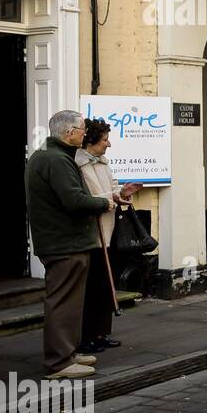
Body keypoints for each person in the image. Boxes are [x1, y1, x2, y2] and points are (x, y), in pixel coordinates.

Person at [25, 110, 115, 379]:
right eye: (82, 128)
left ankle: (67, 353)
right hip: (66, 243)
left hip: (59, 241)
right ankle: (59, 363)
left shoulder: (46, 157)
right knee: (64, 303)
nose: (84, 132)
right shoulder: (58, 161)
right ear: (69, 132)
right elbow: (75, 201)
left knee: (70, 303)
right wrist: (105, 202)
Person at [75, 118, 140, 354]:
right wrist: (111, 197)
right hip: (92, 234)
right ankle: (86, 336)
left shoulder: (103, 162)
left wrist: (122, 193)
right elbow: (87, 197)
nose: (108, 144)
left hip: (109, 231)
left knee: (105, 285)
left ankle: (101, 333)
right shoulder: (78, 165)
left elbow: (112, 188)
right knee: (91, 287)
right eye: (104, 140)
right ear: (91, 141)